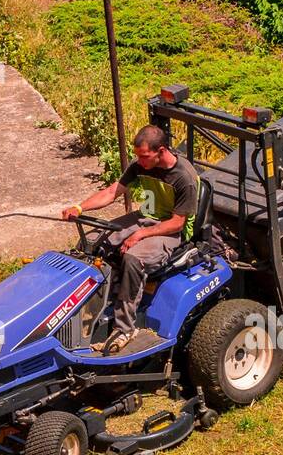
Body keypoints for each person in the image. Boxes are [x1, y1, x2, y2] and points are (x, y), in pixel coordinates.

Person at [62, 124, 199, 353]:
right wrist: (79, 207)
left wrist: (140, 234)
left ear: (161, 150)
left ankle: (125, 327)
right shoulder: (141, 166)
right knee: (92, 243)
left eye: (144, 156)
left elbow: (178, 222)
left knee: (133, 259)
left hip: (171, 231)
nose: (139, 160)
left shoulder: (184, 177)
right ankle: (88, 305)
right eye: (138, 155)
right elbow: (111, 192)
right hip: (144, 216)